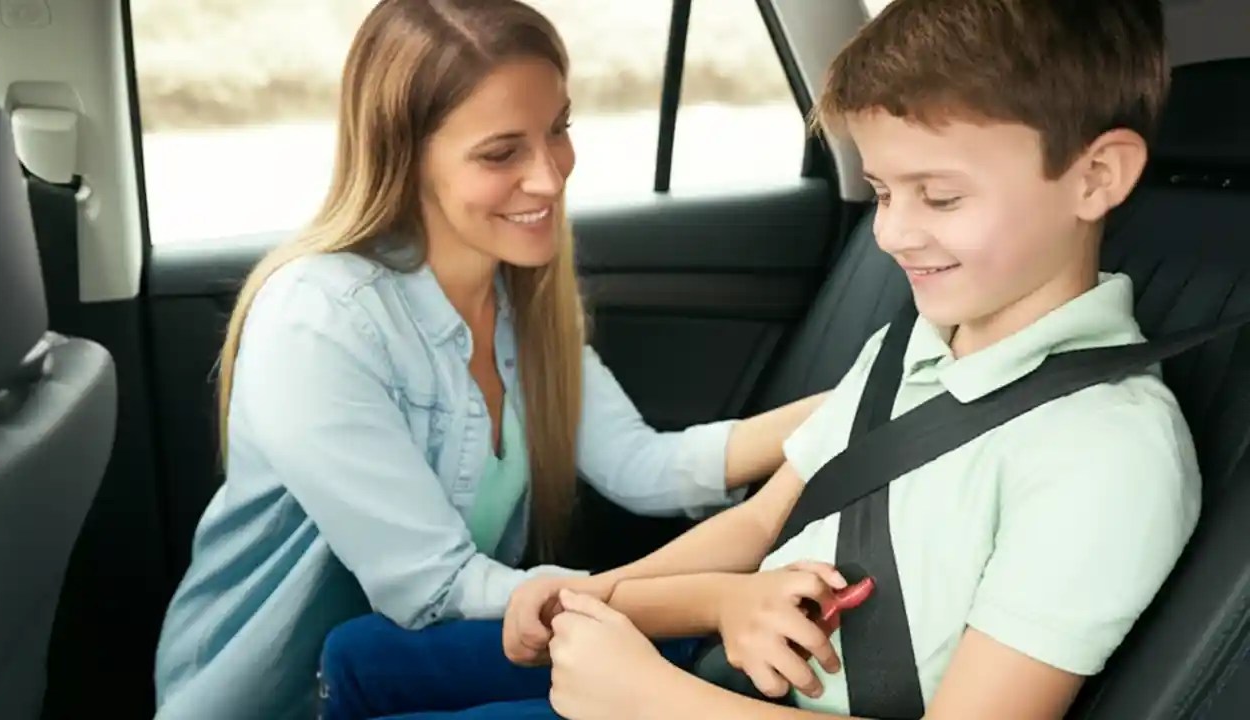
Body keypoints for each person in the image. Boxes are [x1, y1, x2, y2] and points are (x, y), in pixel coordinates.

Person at [372, 0, 1198, 718]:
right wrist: (588, 599)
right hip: (726, 675)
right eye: (881, 191)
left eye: (940, 196)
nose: (892, 233)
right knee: (359, 661)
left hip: (695, 701)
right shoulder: (914, 341)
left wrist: (648, 699)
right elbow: (762, 522)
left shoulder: (1108, 453)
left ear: (1096, 176)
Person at [150, 1, 827, 718]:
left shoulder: (518, 294)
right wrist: (713, 601)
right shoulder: (318, 323)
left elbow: (642, 464)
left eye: (559, 129)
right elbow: (439, 589)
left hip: (418, 672)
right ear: (404, 157)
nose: (550, 176)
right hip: (283, 697)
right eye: (501, 153)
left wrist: (845, 408)